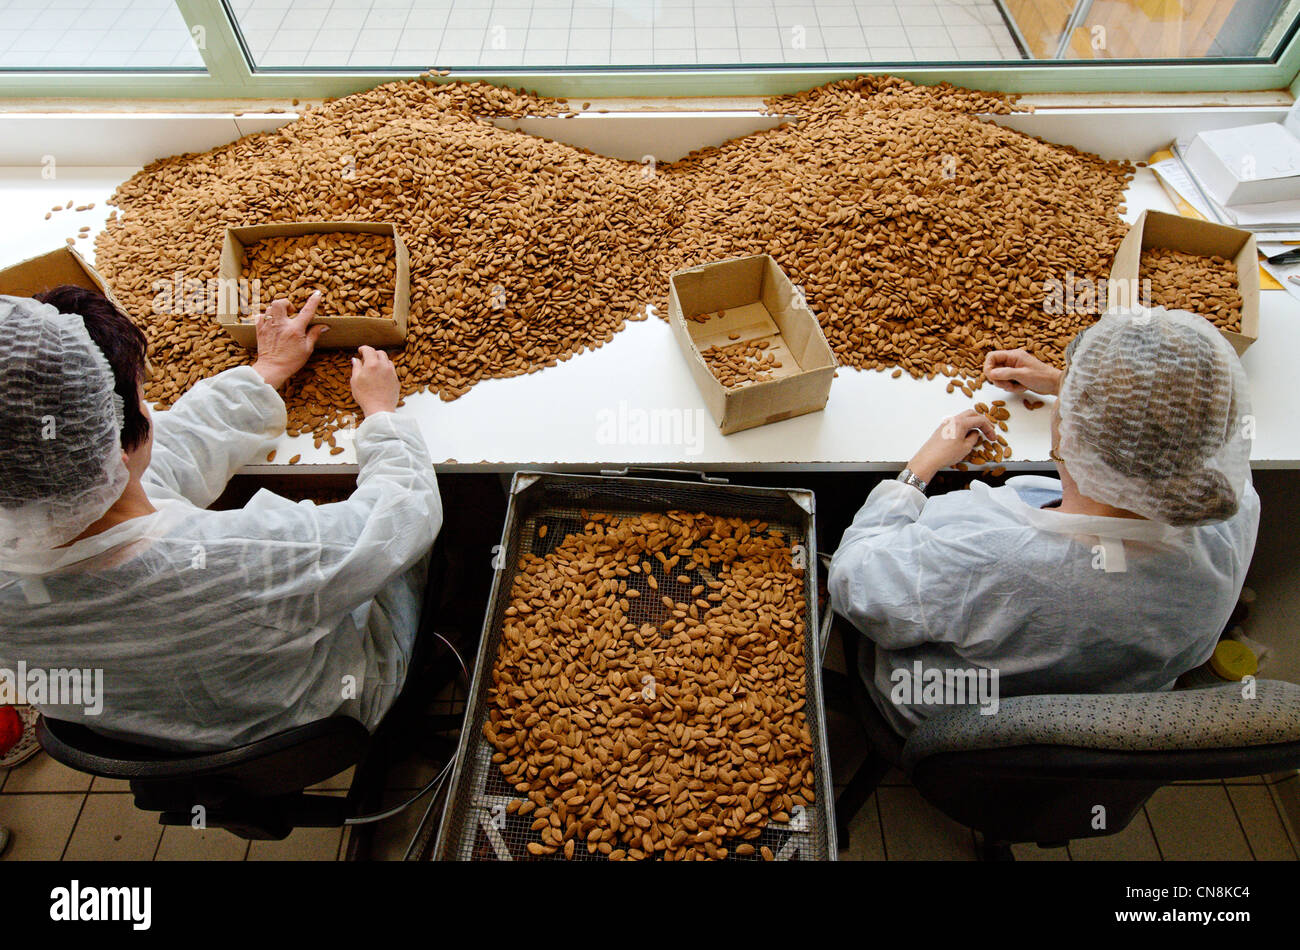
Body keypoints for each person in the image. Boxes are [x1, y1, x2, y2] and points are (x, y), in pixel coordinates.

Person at [0, 286, 442, 752]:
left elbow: (165, 451)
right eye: (141, 398)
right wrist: (381, 414)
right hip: (319, 719)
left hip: (154, 738)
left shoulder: (36, 494)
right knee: (410, 550)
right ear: (120, 442)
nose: (151, 412)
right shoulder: (255, 556)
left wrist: (266, 371)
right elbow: (403, 512)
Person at [829, 307, 1259, 735]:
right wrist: (1066, 385)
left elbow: (852, 584)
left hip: (943, 722)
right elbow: (1182, 424)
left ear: (1072, 428)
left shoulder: (984, 551)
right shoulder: (1234, 514)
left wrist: (917, 470)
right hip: (1102, 726)